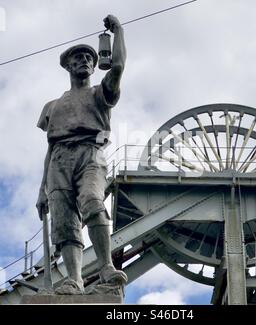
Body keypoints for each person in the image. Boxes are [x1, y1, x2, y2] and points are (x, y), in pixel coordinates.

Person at [35, 15, 127, 295]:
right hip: (59, 160)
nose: (84, 61)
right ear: (68, 65)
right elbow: (50, 147)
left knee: (91, 200)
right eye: (78, 58)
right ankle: (74, 279)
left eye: (89, 57)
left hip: (91, 154)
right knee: (64, 222)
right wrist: (42, 189)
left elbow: (119, 66)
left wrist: (119, 32)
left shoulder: (101, 94)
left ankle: (106, 266)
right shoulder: (52, 105)